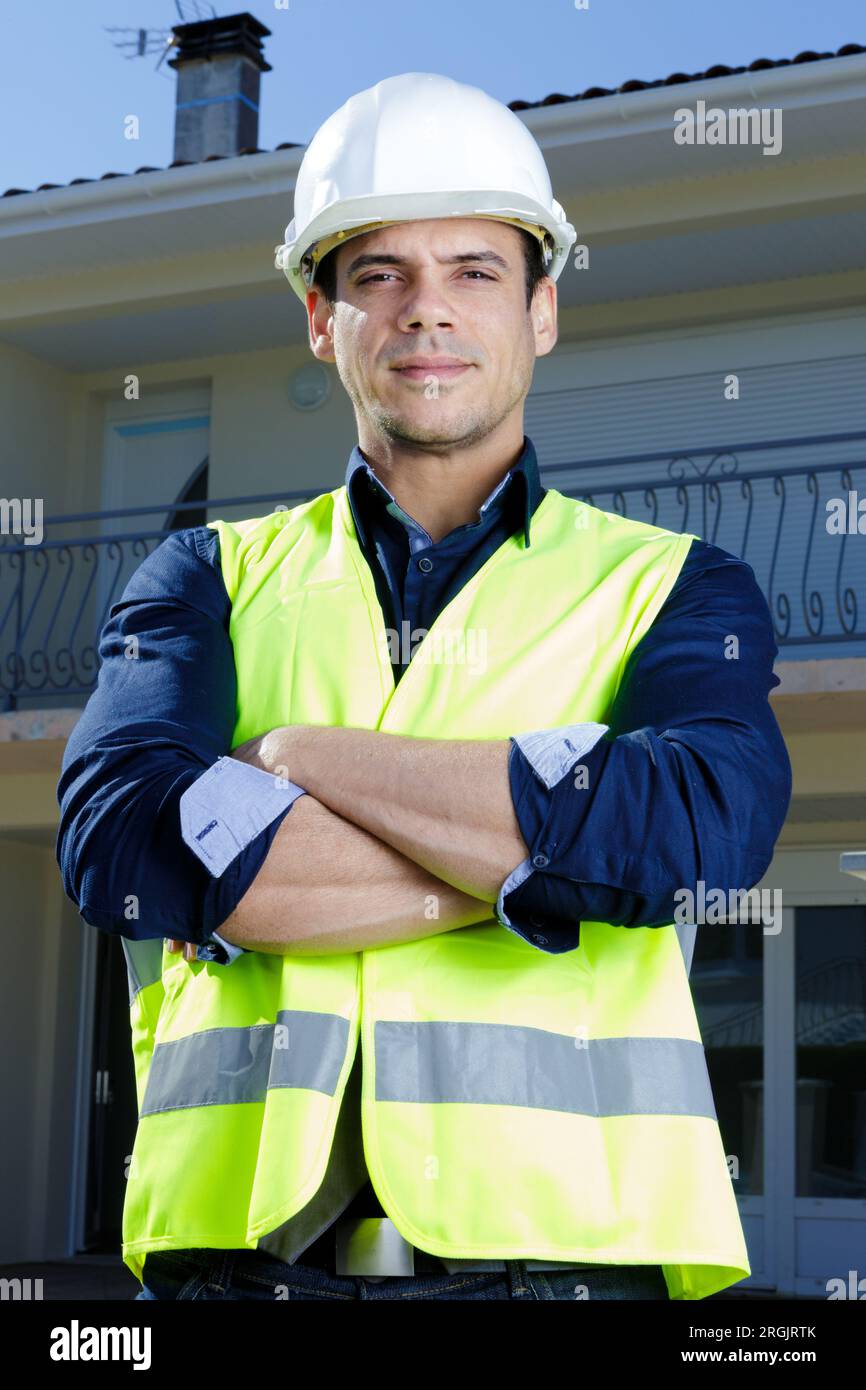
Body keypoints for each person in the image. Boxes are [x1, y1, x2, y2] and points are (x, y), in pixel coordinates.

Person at [56, 72, 792, 1303]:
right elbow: (122, 844)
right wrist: (552, 865)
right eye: (378, 275)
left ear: (541, 310)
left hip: (567, 1265)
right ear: (319, 318)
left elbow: (698, 828)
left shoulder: (672, 586)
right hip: (234, 1266)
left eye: (474, 271)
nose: (425, 313)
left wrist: (297, 756)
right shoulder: (205, 575)